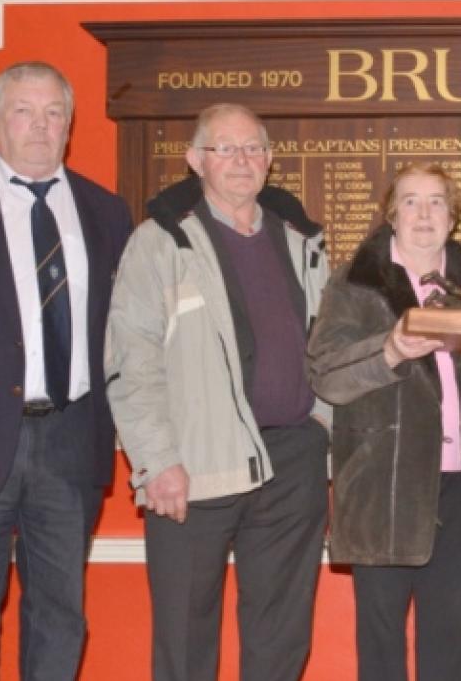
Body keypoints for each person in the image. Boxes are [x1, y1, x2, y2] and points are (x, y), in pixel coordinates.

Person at [105, 103, 330, 681]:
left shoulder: (302, 239)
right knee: (185, 638)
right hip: (193, 465)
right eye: (224, 148)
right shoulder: (158, 242)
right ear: (195, 160)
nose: (240, 160)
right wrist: (156, 461)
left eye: (253, 148)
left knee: (281, 637)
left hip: (292, 464)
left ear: (270, 160)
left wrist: (322, 429)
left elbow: (329, 342)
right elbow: (134, 360)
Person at [0, 61, 132, 680]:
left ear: (69, 124)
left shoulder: (106, 211)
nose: (39, 127)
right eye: (23, 112)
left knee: (60, 616)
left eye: (53, 113)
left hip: (71, 440)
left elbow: (123, 333)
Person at [306, 162, 461, 681]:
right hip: (381, 490)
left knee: (446, 645)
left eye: (437, 201)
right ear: (391, 213)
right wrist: (389, 349)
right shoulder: (354, 283)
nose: (423, 213)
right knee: (382, 646)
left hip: (459, 489)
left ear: (452, 217)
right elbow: (326, 375)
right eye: (411, 200)